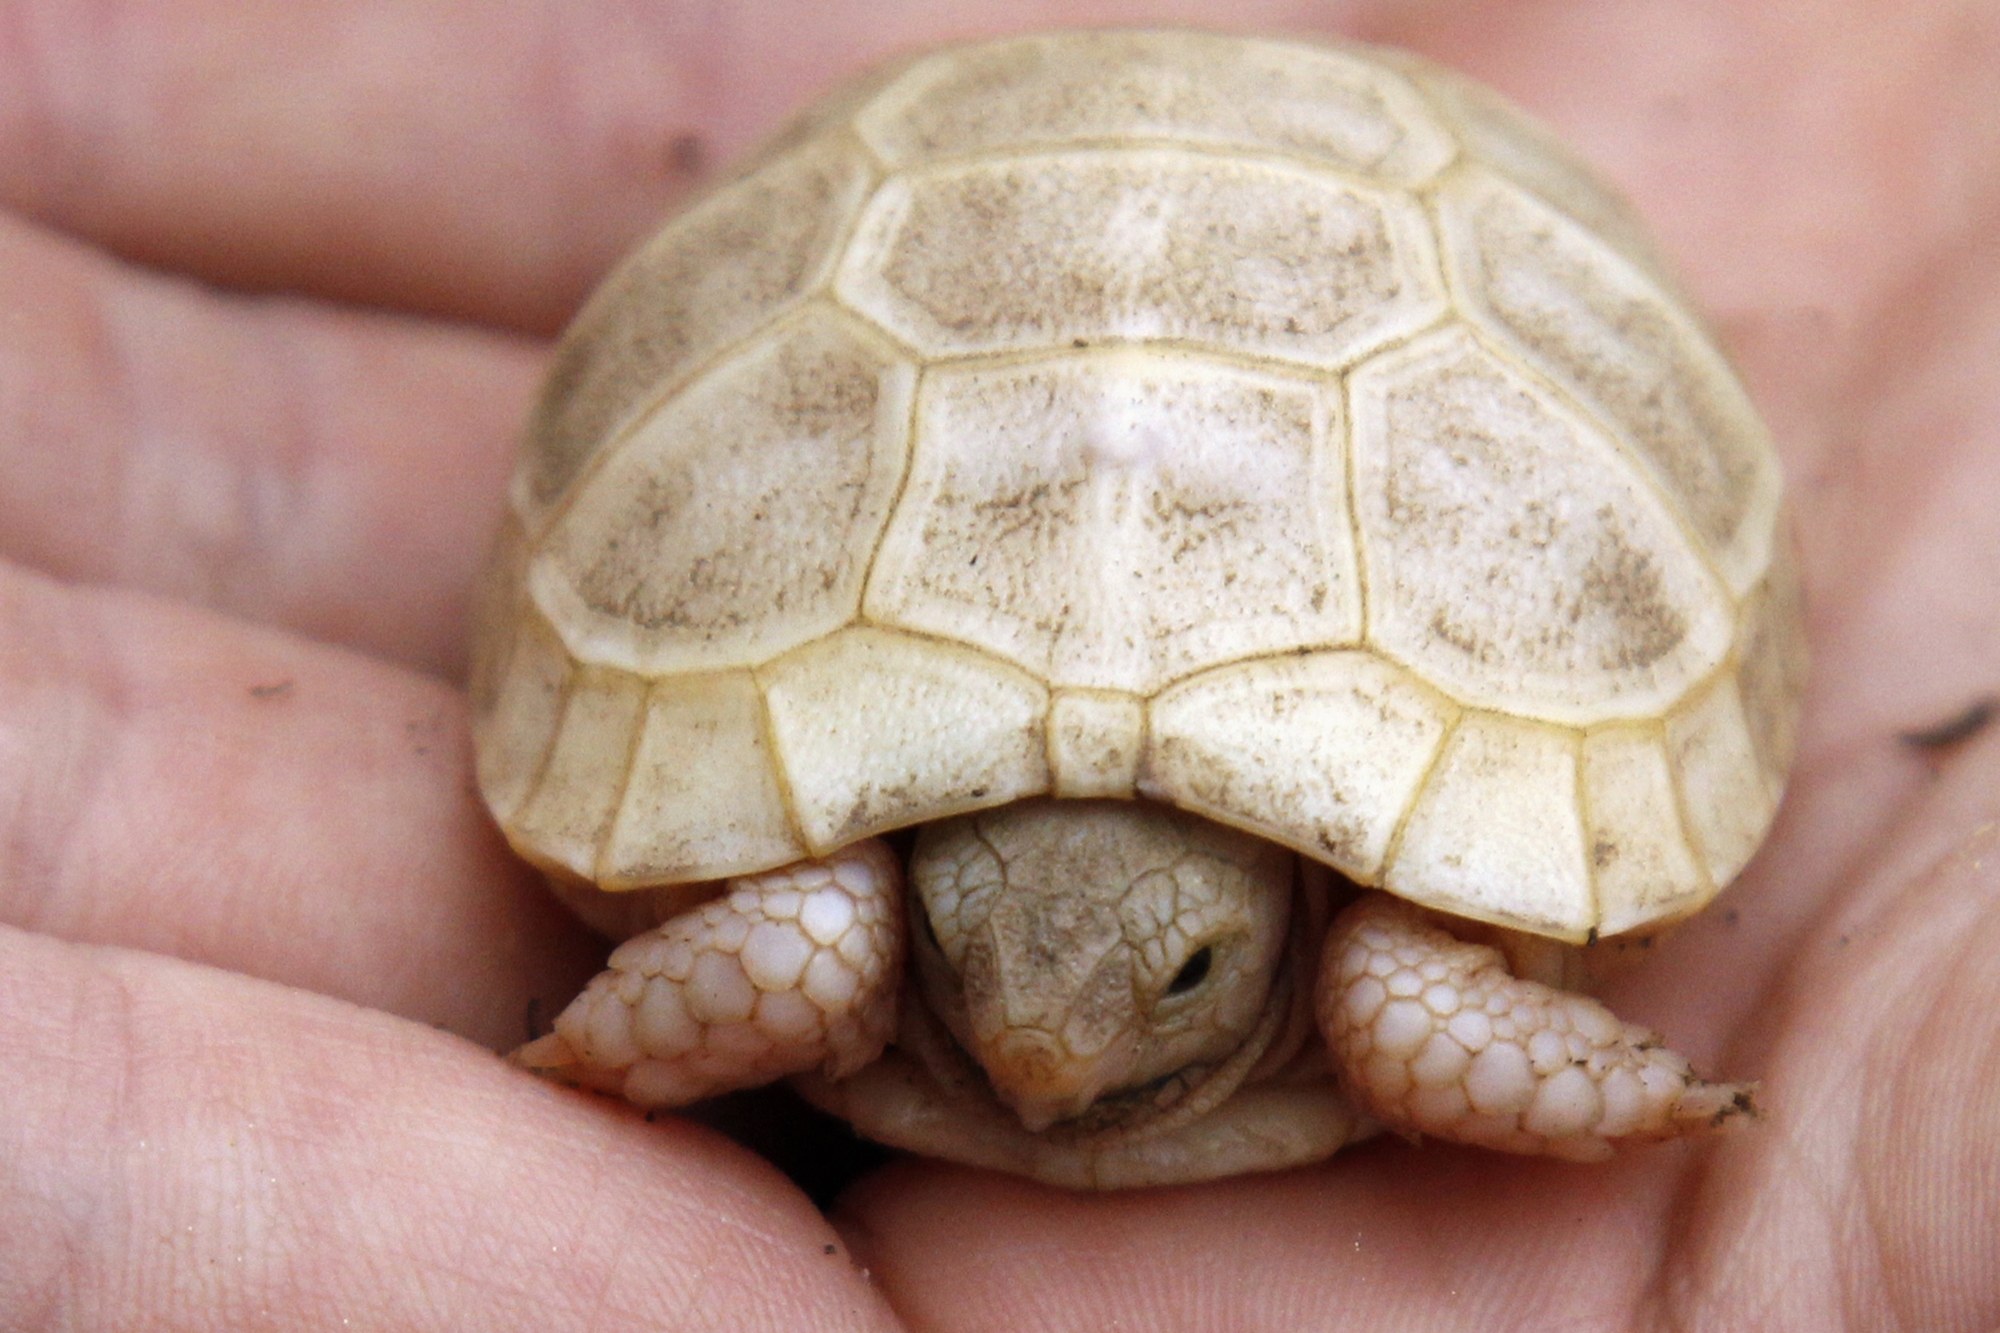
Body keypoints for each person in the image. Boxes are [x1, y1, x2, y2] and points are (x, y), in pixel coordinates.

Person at [2, 2, 1994, 1327]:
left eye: (1185, 974)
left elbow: (1405, 995)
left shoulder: (1368, 958)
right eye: (968, 958)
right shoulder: (855, 936)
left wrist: (1647, 1102)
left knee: (1387, 999)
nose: (1043, 1045)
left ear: (1273, 926)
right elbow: (845, 946)